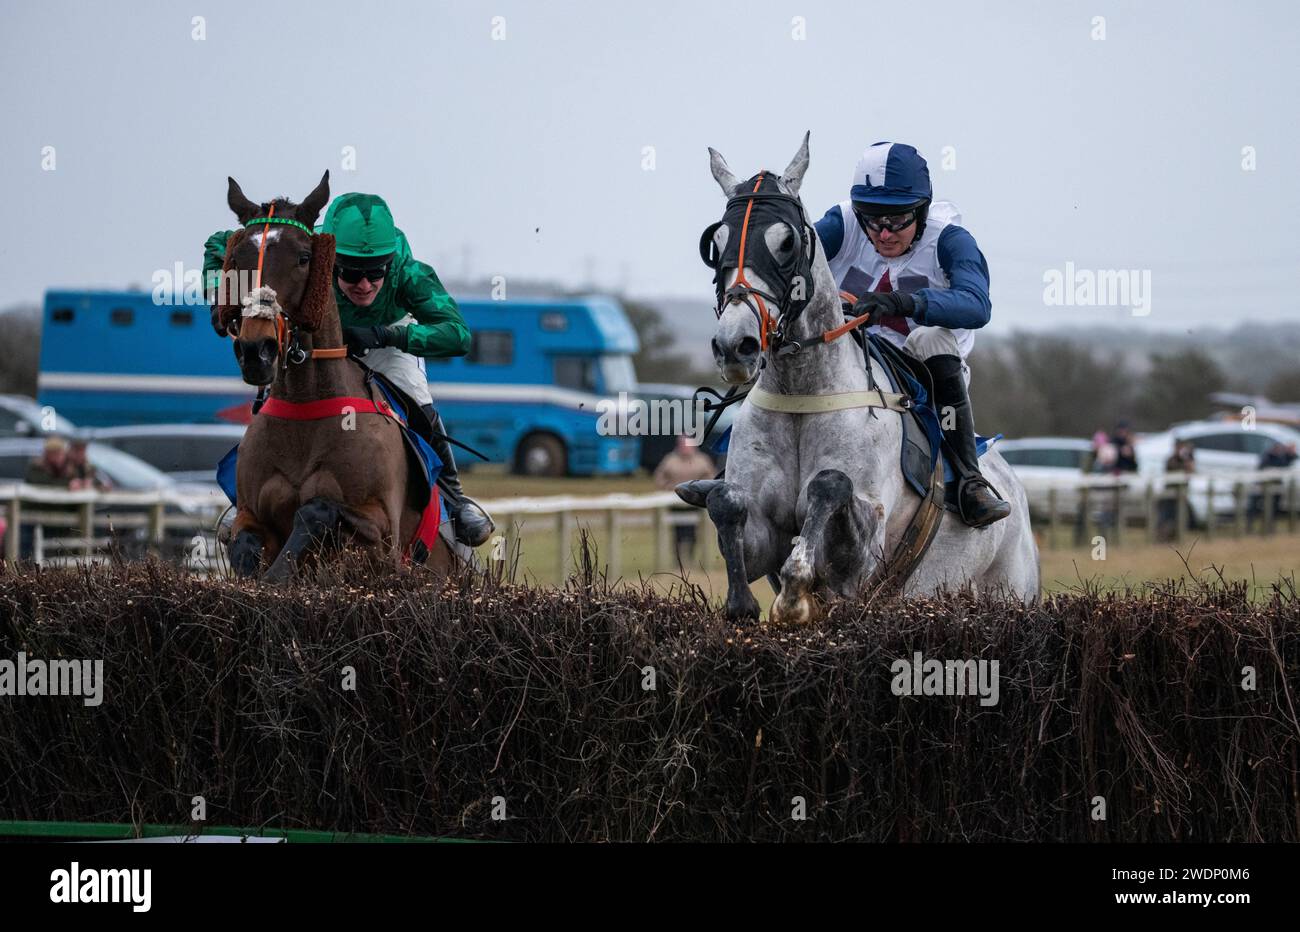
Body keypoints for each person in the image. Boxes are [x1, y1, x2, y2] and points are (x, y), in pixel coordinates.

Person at [203, 192, 494, 547]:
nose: (365, 285)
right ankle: (243, 500)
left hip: (388, 344)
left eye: (376, 273)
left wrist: (388, 334)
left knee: (417, 399)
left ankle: (454, 500)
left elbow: (457, 334)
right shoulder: (307, 244)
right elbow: (222, 243)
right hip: (322, 342)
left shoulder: (409, 272)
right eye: (352, 273)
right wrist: (222, 293)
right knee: (276, 401)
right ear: (330, 258)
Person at [814, 142, 1007, 527]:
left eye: (898, 220)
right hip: (850, 356)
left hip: (923, 372)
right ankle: (741, 464)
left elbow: (976, 305)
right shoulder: (842, 224)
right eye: (872, 220)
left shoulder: (950, 239)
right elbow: (788, 264)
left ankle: (969, 479)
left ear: (921, 210)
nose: (883, 234)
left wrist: (905, 303)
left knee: (930, 336)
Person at [653, 435, 716, 565]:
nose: (685, 448)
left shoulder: (702, 460)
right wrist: (668, 488)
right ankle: (678, 560)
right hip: (675, 503)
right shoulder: (670, 460)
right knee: (677, 533)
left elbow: (711, 478)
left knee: (693, 532)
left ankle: (691, 557)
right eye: (682, 445)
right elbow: (659, 477)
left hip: (695, 504)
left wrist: (700, 489)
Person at [1158, 440, 1195, 539]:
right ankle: (1164, 536)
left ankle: (1177, 535)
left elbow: (1191, 470)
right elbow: (1171, 468)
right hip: (1170, 494)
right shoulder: (1171, 460)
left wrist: (1187, 459)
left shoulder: (1187, 459)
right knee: (1167, 517)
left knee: (1180, 516)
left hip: (1181, 493)